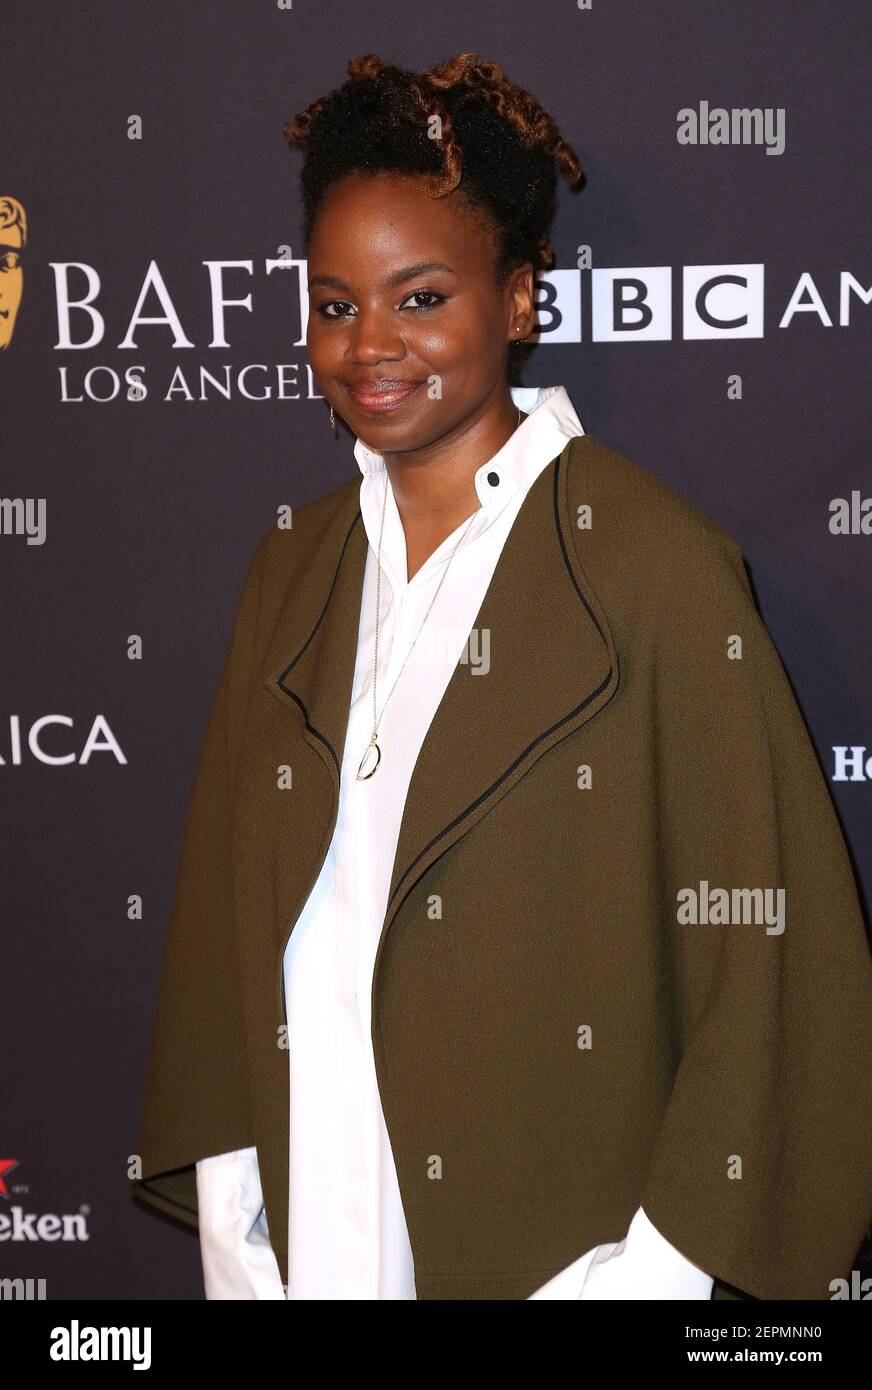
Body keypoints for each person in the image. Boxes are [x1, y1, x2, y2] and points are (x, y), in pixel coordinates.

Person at [132, 52, 872, 1301]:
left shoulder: (656, 569)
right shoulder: (290, 564)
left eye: (419, 296)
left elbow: (771, 966)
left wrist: (644, 1281)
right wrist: (239, 1232)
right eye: (334, 302)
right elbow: (223, 926)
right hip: (306, 1239)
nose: (369, 346)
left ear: (518, 299)